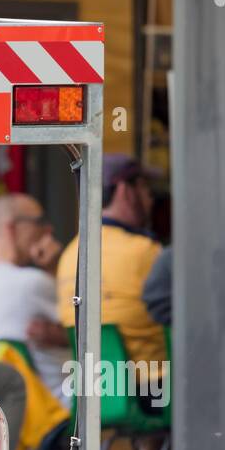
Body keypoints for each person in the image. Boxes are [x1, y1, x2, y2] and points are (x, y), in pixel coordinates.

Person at [56, 154, 167, 376]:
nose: (151, 199)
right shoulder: (145, 250)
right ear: (125, 191)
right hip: (152, 390)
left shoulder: (70, 254)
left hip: (96, 390)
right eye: (145, 189)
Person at [0, 194, 69, 405]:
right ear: (11, 228)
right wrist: (53, 267)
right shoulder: (33, 282)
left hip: (18, 407)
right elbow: (84, 331)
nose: (48, 230)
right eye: (39, 222)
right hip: (60, 402)